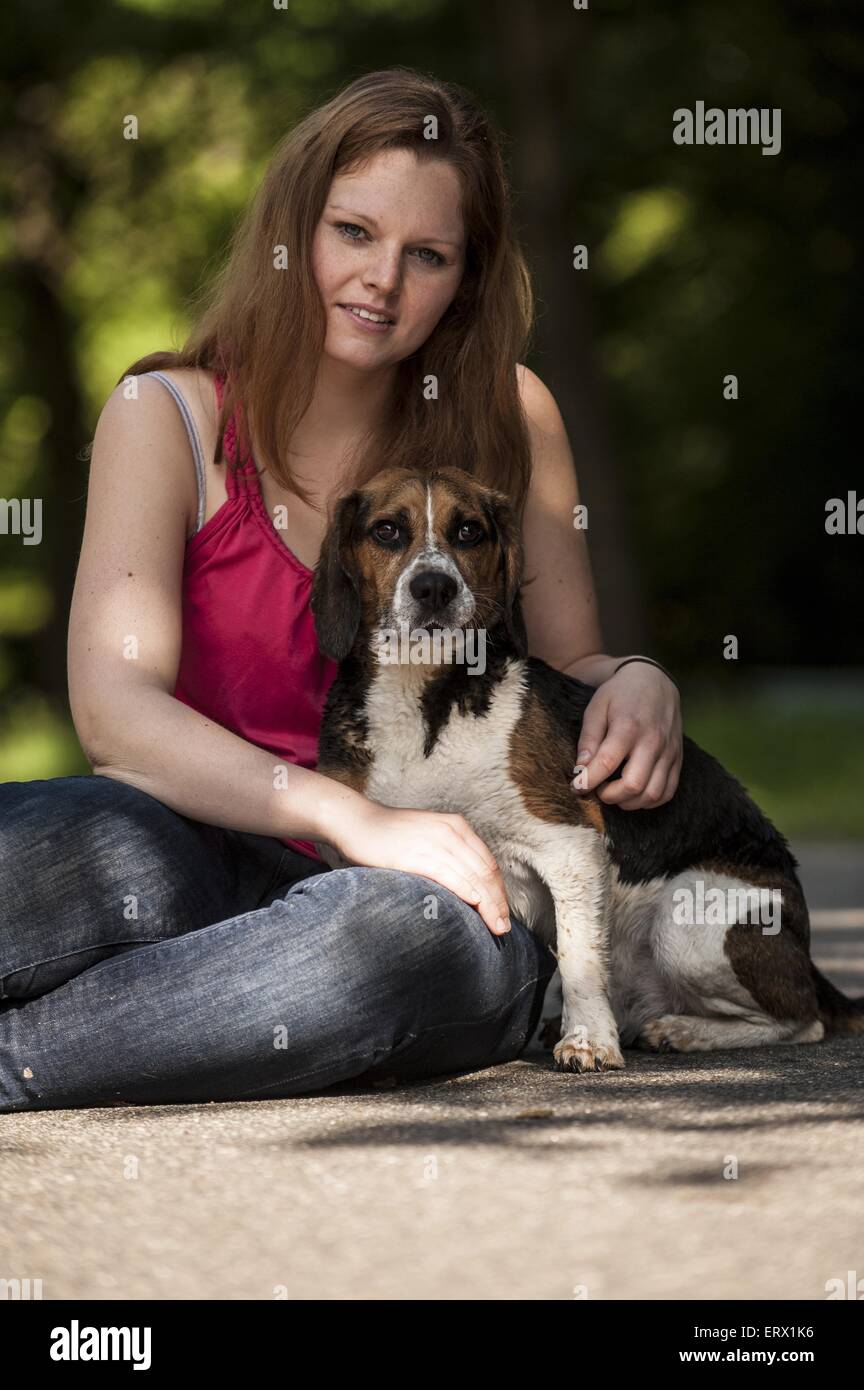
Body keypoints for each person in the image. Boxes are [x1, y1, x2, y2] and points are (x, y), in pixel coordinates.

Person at [0, 68, 681, 1113]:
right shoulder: (166, 413)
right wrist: (341, 812)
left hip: (434, 883)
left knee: (375, 940)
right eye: (353, 232)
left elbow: (573, 665)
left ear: (467, 276)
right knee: (52, 850)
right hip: (199, 838)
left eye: (429, 255)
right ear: (292, 228)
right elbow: (117, 717)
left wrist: (636, 681)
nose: (382, 280)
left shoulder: (511, 414)